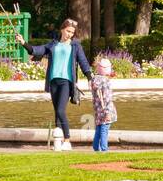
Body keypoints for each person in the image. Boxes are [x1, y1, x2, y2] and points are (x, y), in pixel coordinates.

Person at [21, 18, 93, 151]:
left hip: (66, 82)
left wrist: (89, 77)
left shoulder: (75, 46)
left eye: (72, 32)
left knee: (61, 110)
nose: (70, 34)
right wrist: (23, 43)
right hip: (54, 81)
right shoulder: (53, 45)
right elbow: (37, 50)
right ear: (62, 30)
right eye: (68, 31)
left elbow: (83, 62)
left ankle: (67, 140)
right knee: (56, 112)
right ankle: (58, 142)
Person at [91, 57, 117, 152]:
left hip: (98, 109)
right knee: (104, 129)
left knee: (99, 127)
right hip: (105, 109)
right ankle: (104, 148)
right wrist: (108, 112)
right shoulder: (106, 82)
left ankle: (96, 147)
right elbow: (107, 98)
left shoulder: (95, 80)